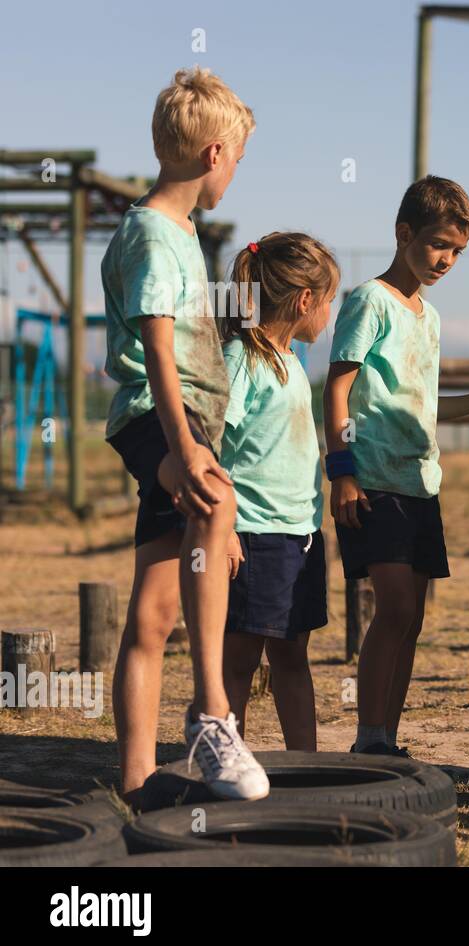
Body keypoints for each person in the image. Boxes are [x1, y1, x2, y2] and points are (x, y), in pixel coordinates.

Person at [323, 175, 469, 756]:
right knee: (391, 609)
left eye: (459, 251)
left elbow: (427, 405)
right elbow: (336, 388)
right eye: (440, 244)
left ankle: (385, 740)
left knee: (413, 618)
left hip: (421, 484)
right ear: (404, 233)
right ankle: (366, 737)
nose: (447, 259)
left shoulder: (430, 318)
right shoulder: (369, 301)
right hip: (372, 482)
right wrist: (340, 469)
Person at [103, 67, 267, 802]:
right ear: (213, 155)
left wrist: (209, 493)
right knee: (213, 494)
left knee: (154, 610)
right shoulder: (149, 234)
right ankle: (212, 715)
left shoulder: (179, 233)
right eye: (237, 158)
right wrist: (187, 452)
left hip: (179, 423)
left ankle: (136, 780)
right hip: (154, 416)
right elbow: (161, 353)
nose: (234, 173)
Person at [219, 232, 339, 752]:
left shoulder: (291, 362)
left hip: (301, 538)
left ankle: (306, 767)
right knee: (238, 661)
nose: (331, 312)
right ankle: (226, 763)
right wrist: (222, 529)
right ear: (305, 300)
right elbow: (210, 444)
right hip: (252, 537)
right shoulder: (241, 359)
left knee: (292, 655)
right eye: (330, 299)